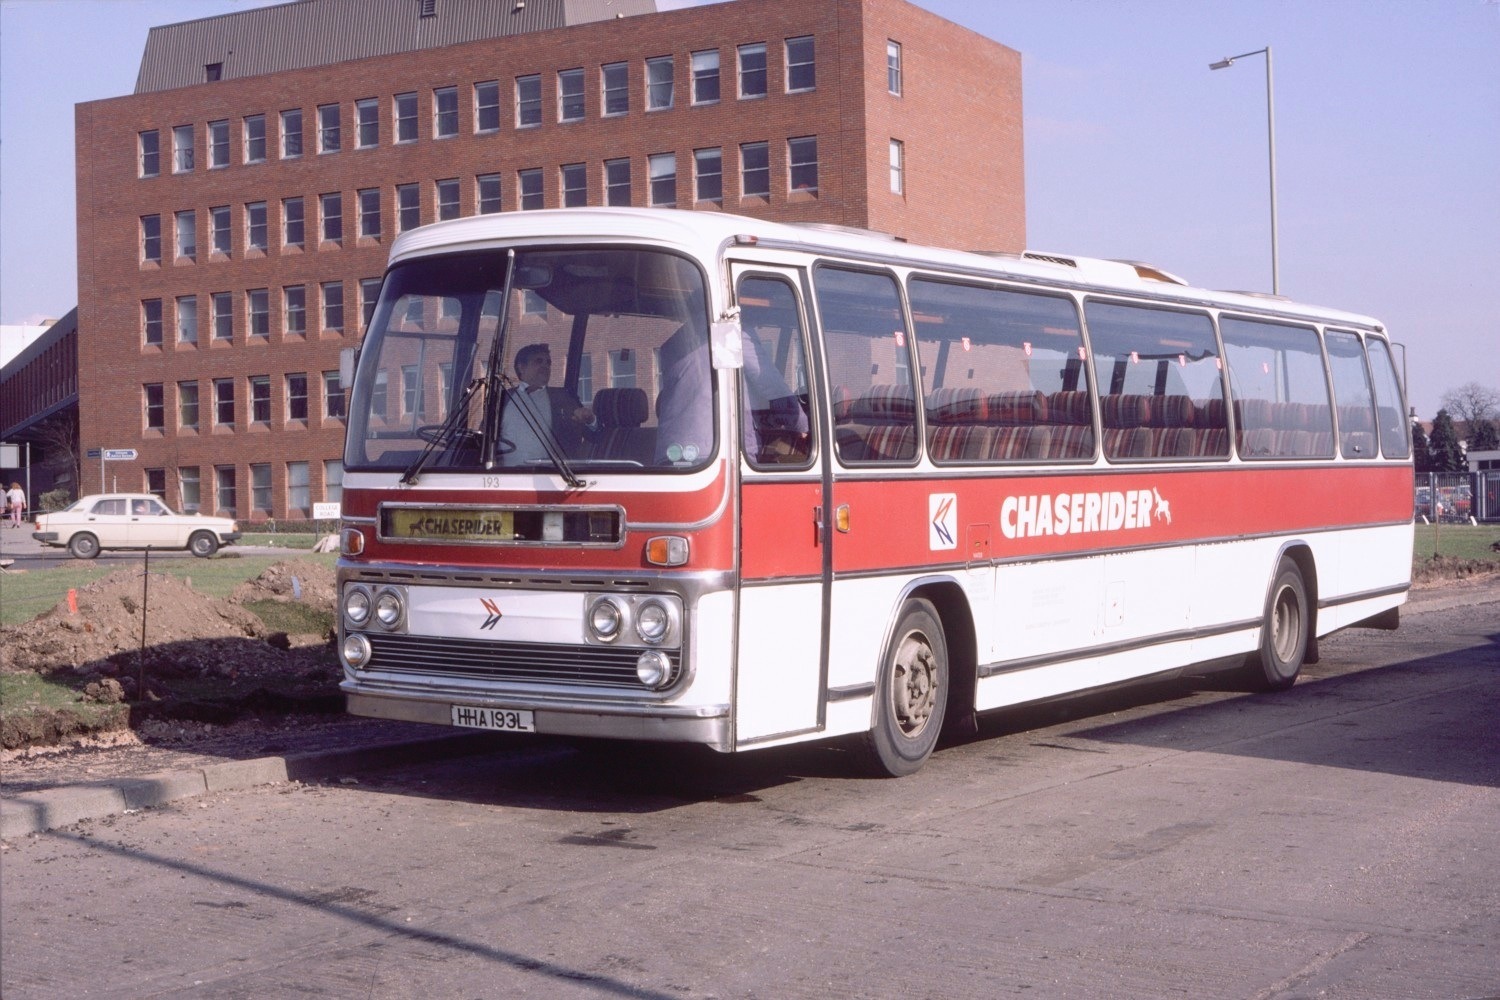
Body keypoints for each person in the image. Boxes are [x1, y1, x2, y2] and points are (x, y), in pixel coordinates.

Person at [498, 343, 597, 465]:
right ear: (521, 367)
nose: (545, 366)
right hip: (505, 478)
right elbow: (484, 441)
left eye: (548, 363)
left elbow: (594, 436)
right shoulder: (502, 399)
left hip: (553, 478)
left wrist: (590, 420)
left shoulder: (564, 397)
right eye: (538, 361)